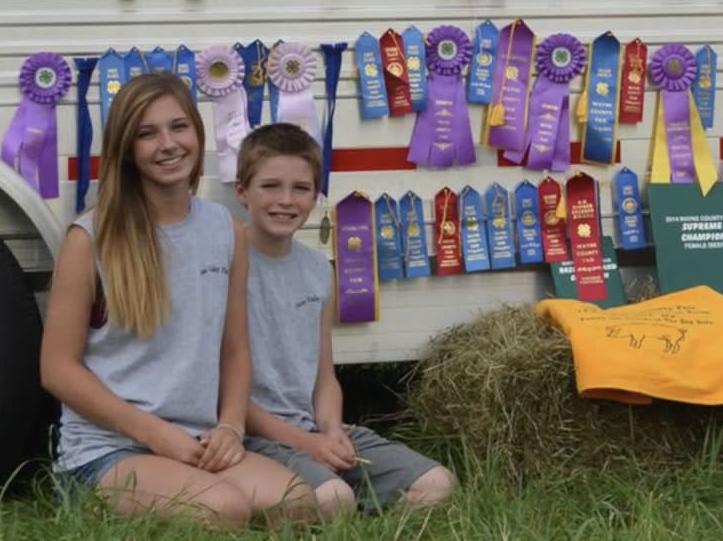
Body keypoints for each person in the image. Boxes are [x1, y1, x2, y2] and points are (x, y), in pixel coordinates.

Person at [40, 72, 317, 528]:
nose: (168, 144)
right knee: (221, 510)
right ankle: (86, 502)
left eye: (178, 127)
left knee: (297, 501)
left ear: (198, 132)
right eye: (147, 134)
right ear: (127, 149)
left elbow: (235, 349)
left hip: (198, 438)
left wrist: (230, 425)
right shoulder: (90, 238)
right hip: (109, 448)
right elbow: (57, 370)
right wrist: (156, 434)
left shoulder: (224, 229)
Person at [235, 123, 455, 518]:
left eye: (301, 188)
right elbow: (226, 394)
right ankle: (331, 503)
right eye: (270, 186)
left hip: (314, 428)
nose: (286, 200)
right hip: (255, 437)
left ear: (316, 196)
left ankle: (369, 519)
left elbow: (323, 376)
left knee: (439, 484)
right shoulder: (227, 264)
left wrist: (332, 431)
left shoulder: (318, 269)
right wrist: (305, 443)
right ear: (241, 192)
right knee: (332, 500)